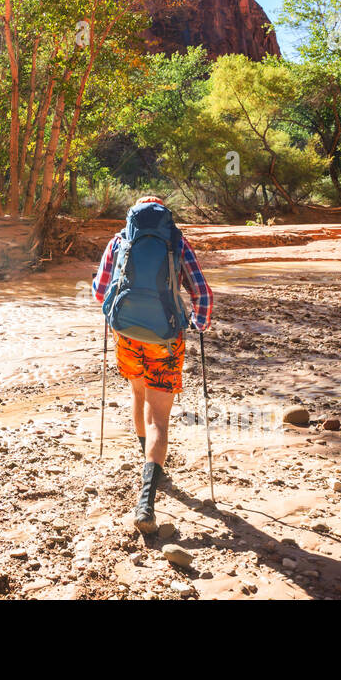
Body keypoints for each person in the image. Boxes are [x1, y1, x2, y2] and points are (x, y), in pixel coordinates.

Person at [92, 195, 212, 534]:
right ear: (165, 219)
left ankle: (149, 462)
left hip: (126, 333)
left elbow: (100, 292)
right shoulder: (177, 243)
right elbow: (202, 293)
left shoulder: (119, 240)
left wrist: (118, 315)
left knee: (137, 392)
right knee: (159, 416)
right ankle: (146, 500)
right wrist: (196, 323)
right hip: (164, 338)